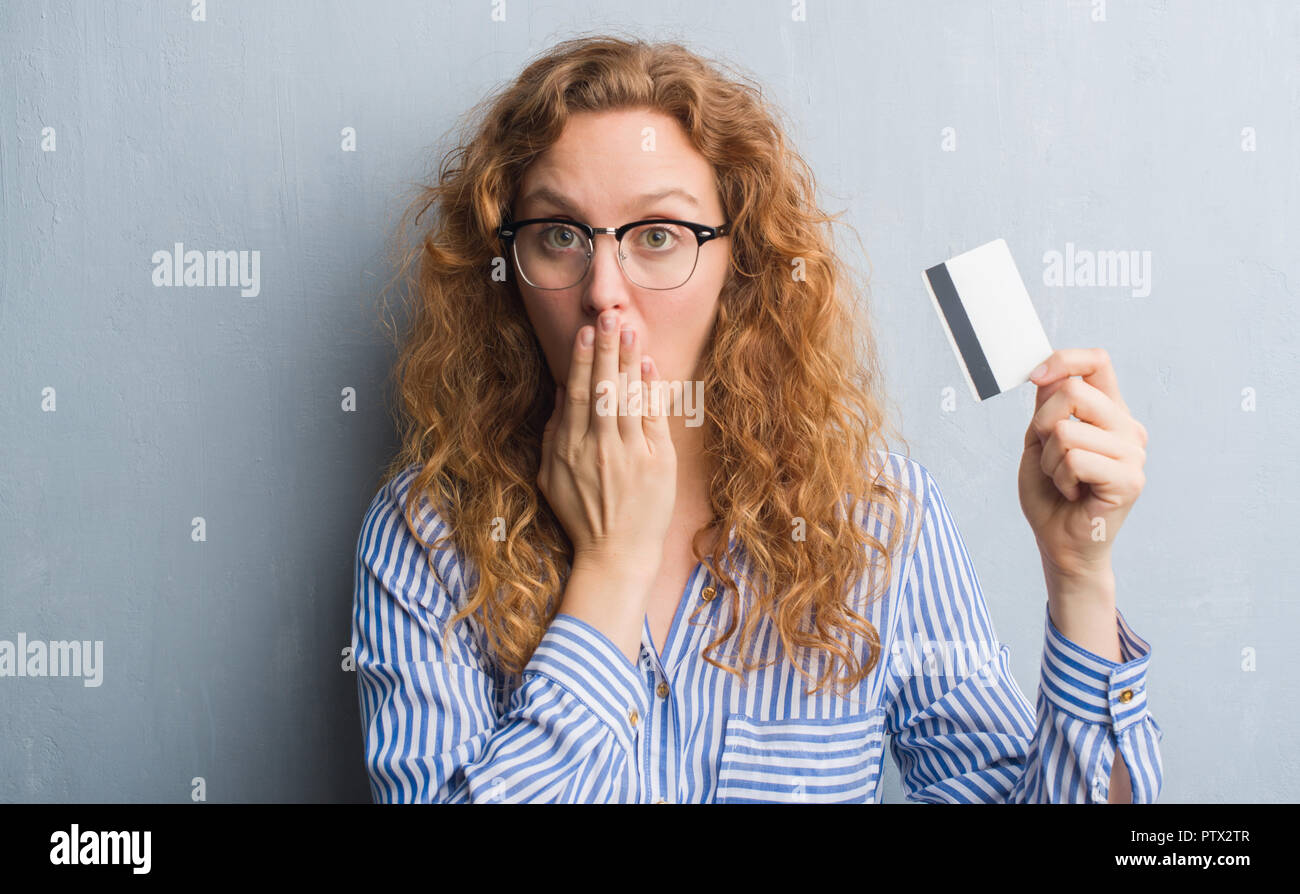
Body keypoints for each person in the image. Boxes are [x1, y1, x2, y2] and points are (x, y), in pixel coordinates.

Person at [352, 34, 1163, 803]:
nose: (604, 290)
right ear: (509, 268)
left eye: (659, 235)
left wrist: (1079, 577)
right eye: (560, 234)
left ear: (737, 266)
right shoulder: (426, 537)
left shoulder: (877, 519)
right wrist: (607, 570)